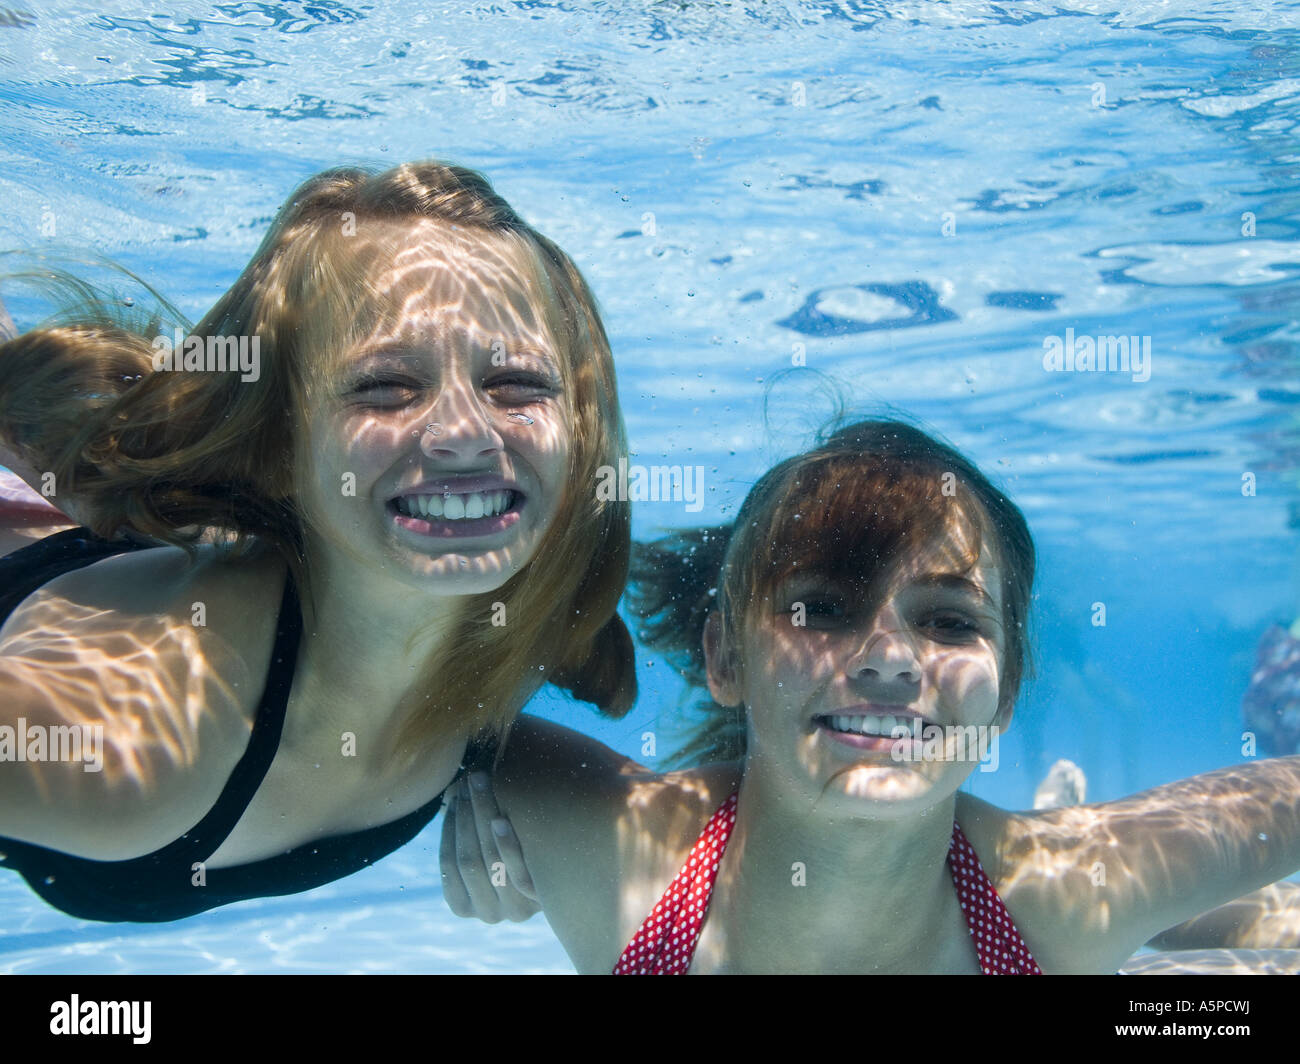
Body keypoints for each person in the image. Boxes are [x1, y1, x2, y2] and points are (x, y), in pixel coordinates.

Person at [0, 160, 634, 922]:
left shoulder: (533, 612)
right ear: (280, 438)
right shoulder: (116, 725)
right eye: (385, 386)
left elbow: (609, 685)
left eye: (517, 384)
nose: (466, 435)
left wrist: (539, 822)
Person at [441, 418, 1300, 973]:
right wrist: (459, 807)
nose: (890, 660)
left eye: (951, 623)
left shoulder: (1060, 897)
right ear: (725, 658)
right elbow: (404, 710)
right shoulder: (620, 859)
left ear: (1004, 695)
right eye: (824, 609)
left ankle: (1191, 925)